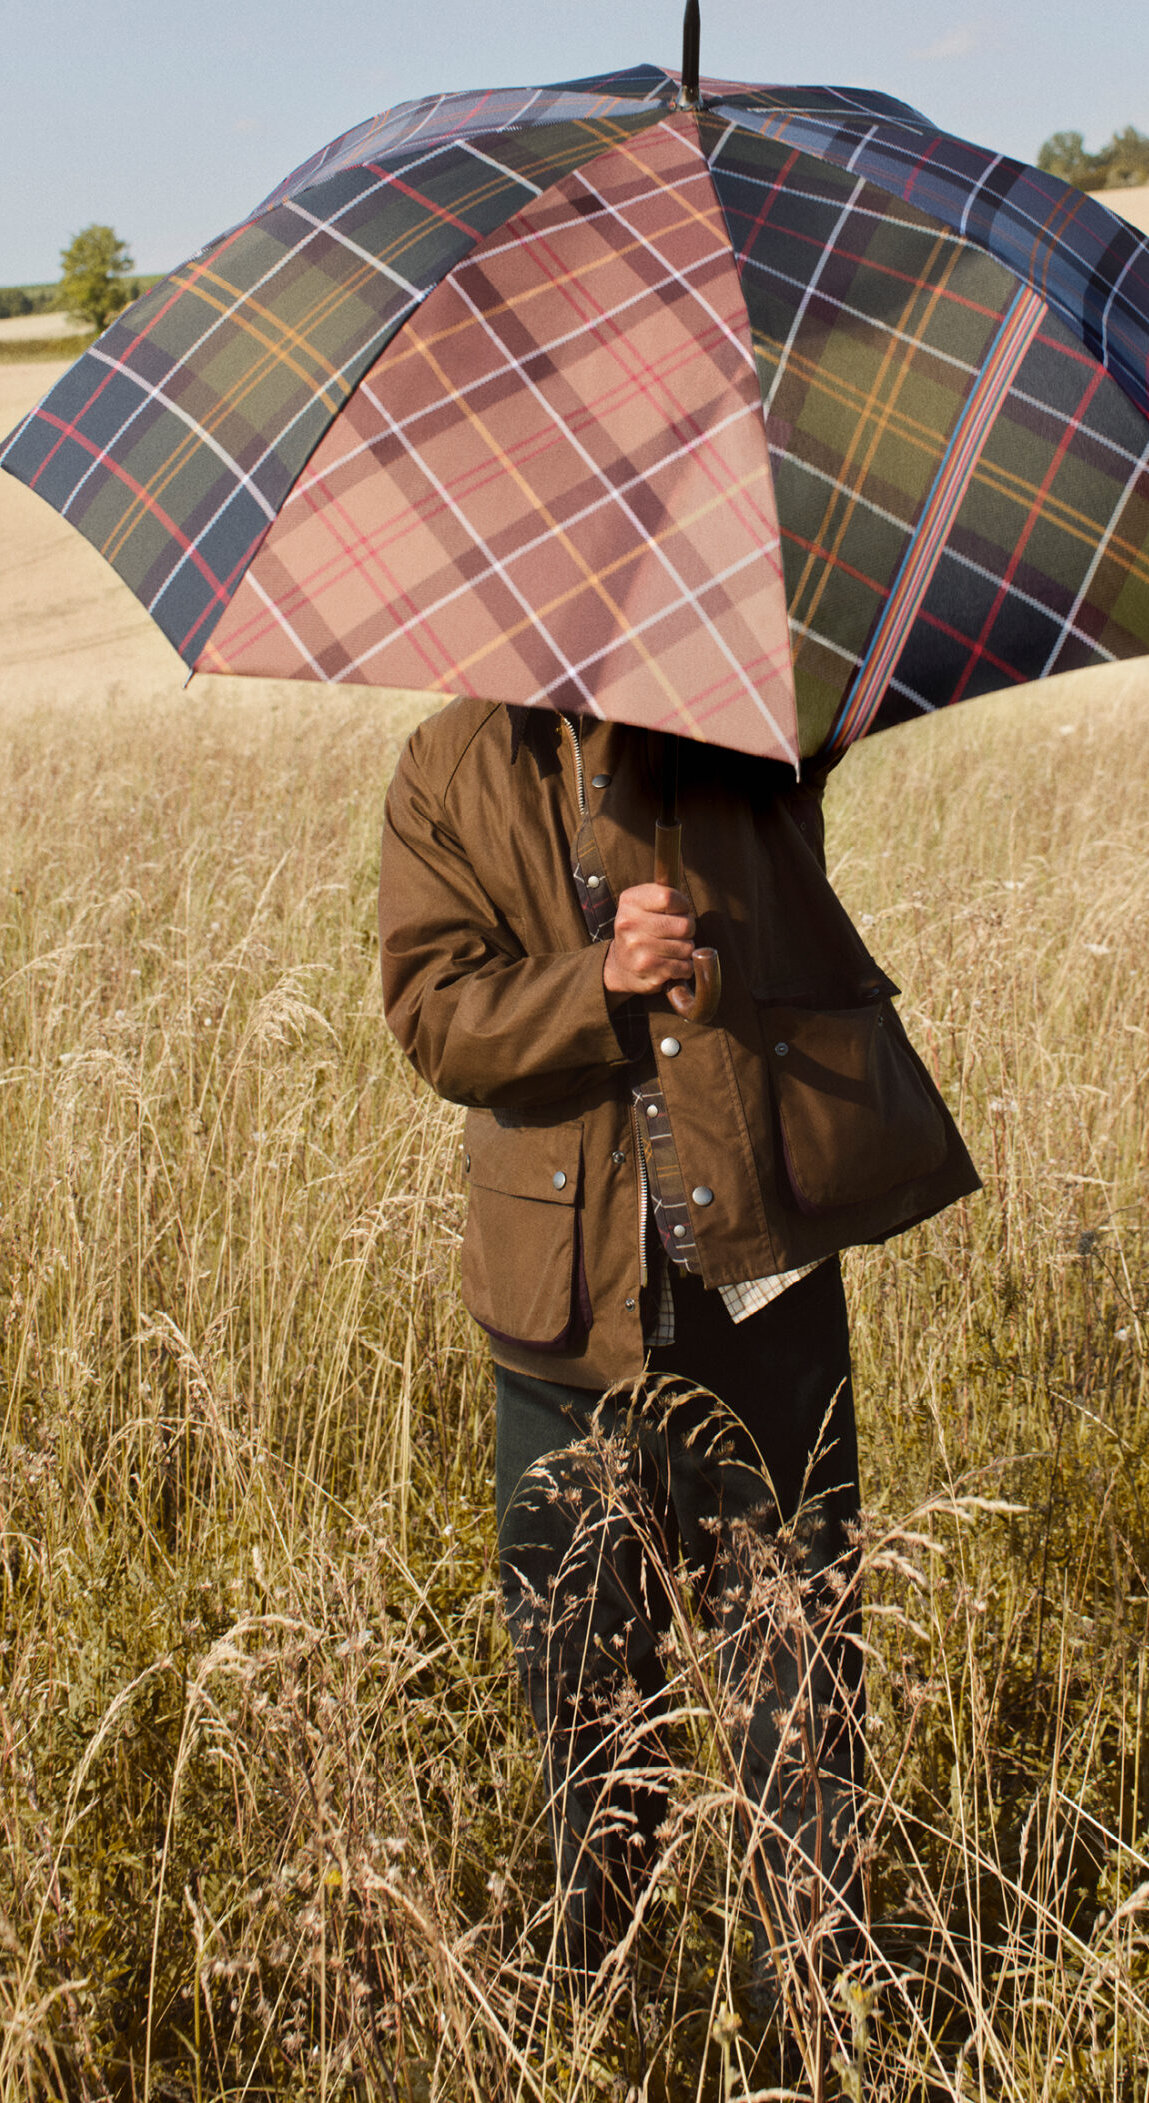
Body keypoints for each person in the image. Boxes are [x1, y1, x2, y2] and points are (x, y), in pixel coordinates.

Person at [377, 699, 978, 2030]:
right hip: (565, 1312)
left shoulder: (753, 725)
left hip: (759, 1277)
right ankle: (605, 2007)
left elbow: (826, 763)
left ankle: (816, 2014)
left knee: (803, 1662)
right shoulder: (450, 765)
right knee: (581, 1671)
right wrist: (594, 980)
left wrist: (716, 960)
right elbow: (433, 1014)